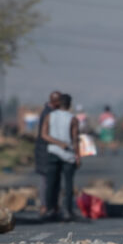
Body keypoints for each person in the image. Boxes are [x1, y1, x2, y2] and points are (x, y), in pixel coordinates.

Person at [40, 93, 81, 221]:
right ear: (69, 105)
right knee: (68, 184)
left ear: (58, 104)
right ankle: (67, 211)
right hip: (68, 155)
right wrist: (77, 155)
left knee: (51, 183)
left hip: (52, 152)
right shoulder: (73, 119)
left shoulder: (49, 116)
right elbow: (75, 139)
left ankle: (50, 209)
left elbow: (44, 135)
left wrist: (56, 143)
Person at [34, 91, 61, 214]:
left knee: (53, 179)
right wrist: (60, 143)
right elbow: (44, 135)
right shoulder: (47, 114)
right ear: (54, 102)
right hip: (44, 151)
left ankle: (52, 205)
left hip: (50, 150)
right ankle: (45, 205)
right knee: (45, 180)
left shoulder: (52, 113)